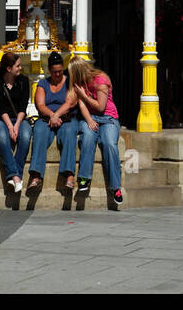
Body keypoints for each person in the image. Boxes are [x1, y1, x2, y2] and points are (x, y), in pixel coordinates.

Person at [68, 57, 123, 205]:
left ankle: (116, 187)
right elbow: (82, 105)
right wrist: (89, 120)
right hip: (90, 117)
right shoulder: (79, 83)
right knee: (87, 138)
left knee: (109, 144)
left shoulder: (101, 79)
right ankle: (84, 178)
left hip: (108, 118)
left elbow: (100, 106)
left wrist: (84, 95)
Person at [27, 52, 78, 192]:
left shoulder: (69, 82)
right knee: (39, 132)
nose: (57, 74)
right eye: (55, 72)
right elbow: (41, 105)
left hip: (67, 118)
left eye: (60, 71)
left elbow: (70, 102)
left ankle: (69, 175)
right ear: (50, 70)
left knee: (69, 133)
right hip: (46, 118)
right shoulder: (43, 83)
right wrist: (52, 116)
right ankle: (36, 176)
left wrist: (57, 115)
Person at [0, 52, 31, 193]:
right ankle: (15, 176)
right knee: (2, 137)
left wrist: (17, 126)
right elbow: (0, 108)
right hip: (2, 119)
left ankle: (16, 174)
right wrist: (10, 127)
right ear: (8, 68)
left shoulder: (24, 81)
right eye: (17, 66)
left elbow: (23, 106)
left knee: (25, 137)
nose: (20, 68)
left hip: (19, 118)